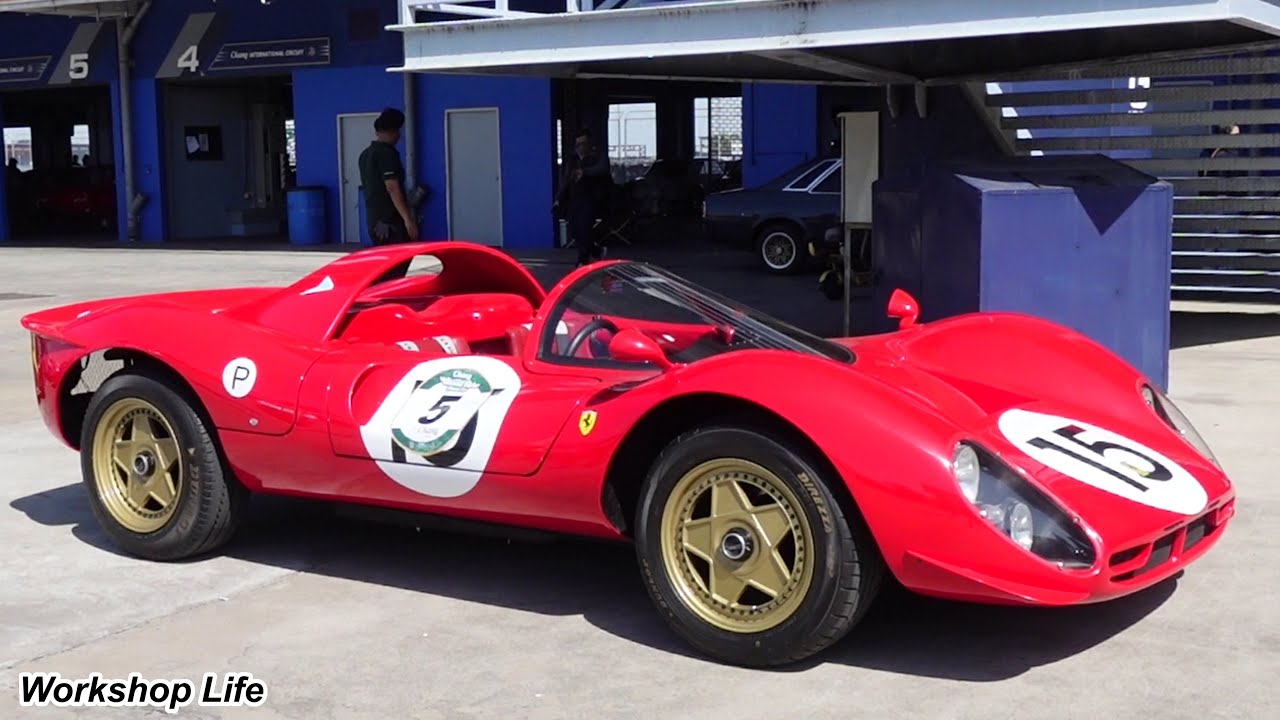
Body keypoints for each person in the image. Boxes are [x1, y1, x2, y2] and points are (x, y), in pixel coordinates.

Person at [554, 128, 612, 267]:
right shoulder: (572, 160)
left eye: (583, 144)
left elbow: (602, 169)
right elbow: (566, 180)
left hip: (591, 199)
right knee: (574, 230)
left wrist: (585, 172)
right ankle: (596, 251)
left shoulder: (597, 157)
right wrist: (558, 198)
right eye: (578, 144)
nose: (580, 147)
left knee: (585, 227)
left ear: (589, 144)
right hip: (575, 199)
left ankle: (582, 260)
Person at [358, 107, 417, 245]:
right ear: (394, 131)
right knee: (399, 259)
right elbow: (392, 188)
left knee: (385, 259)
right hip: (390, 221)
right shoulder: (387, 154)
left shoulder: (365, 154)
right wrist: (407, 219)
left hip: (374, 219)